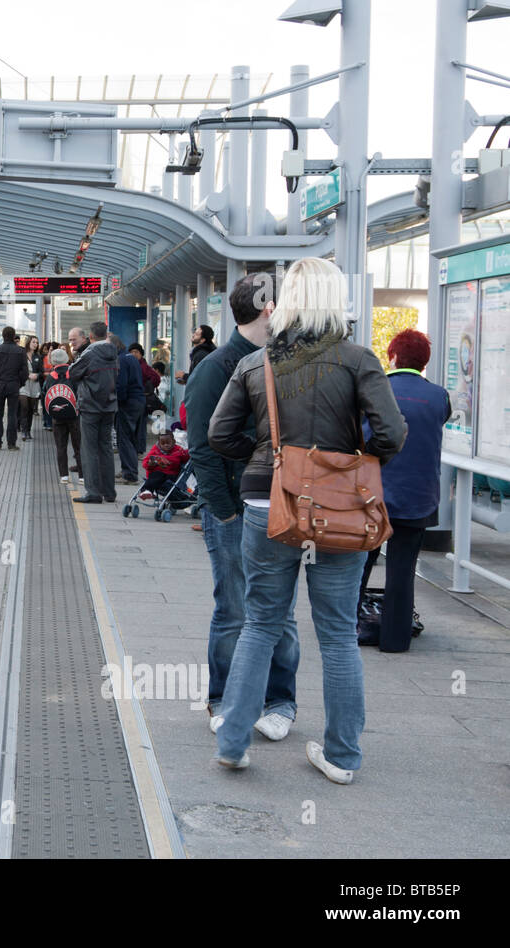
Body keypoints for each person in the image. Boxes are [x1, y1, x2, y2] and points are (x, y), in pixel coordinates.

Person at [208, 257, 406, 783]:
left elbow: (218, 434)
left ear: (289, 300)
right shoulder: (359, 359)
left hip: (266, 506)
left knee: (260, 623)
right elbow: (392, 435)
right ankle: (341, 757)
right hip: (336, 513)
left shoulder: (257, 364)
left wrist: (270, 456)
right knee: (338, 635)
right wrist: (347, 461)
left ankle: (232, 742)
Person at [184, 273, 300, 740]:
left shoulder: (283, 361)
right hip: (235, 509)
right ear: (268, 307)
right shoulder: (216, 367)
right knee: (233, 608)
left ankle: (279, 701)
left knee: (282, 611)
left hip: (279, 507)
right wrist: (225, 511)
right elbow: (201, 447)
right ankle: (224, 698)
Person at [356, 328, 450, 652]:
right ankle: (395, 641)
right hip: (419, 498)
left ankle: (347, 629)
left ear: (392, 356)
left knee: (360, 565)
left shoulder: (375, 389)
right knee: (402, 569)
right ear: (424, 361)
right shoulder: (440, 396)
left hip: (373, 494)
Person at [69, 321, 118, 504]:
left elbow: (73, 373)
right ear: (106, 335)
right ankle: (109, 492)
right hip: (110, 406)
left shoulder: (89, 354)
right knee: (105, 448)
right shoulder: (114, 353)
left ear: (90, 336)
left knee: (89, 449)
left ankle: (93, 493)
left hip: (90, 407)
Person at [42, 346, 81, 482]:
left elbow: (44, 395)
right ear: (66, 359)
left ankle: (64, 476)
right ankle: (82, 476)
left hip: (57, 417)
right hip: (74, 416)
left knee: (61, 446)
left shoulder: (50, 378)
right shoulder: (73, 373)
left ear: (52, 361)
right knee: (78, 446)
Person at [110, 334, 144, 483]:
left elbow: (121, 384)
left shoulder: (121, 360)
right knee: (129, 437)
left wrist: (118, 401)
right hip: (137, 400)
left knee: (124, 439)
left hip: (127, 403)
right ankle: (128, 469)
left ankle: (130, 474)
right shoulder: (130, 357)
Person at [0, 325, 28, 450]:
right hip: (13, 385)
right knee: (12, 414)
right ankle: (11, 444)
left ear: (3, 336)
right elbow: (25, 372)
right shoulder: (21, 351)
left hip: (0, 384)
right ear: (13, 336)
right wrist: (20, 383)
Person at [139, 431, 189, 502]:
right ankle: (147, 491)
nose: (166, 445)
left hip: (170, 475)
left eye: (168, 443)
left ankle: (148, 490)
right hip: (155, 475)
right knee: (156, 474)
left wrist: (188, 452)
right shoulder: (155, 450)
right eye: (163, 443)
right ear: (159, 443)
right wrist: (150, 463)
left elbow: (182, 458)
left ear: (174, 442)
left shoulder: (178, 450)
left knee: (158, 474)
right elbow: (145, 463)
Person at [18, 335, 43, 441]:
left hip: (34, 384)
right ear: (28, 343)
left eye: (37, 343)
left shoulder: (38, 356)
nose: (35, 344)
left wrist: (37, 375)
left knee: (31, 409)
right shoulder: (21, 355)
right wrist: (27, 375)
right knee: (24, 407)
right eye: (33, 342)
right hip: (23, 384)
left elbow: (42, 370)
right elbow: (17, 369)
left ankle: (28, 430)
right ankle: (24, 431)